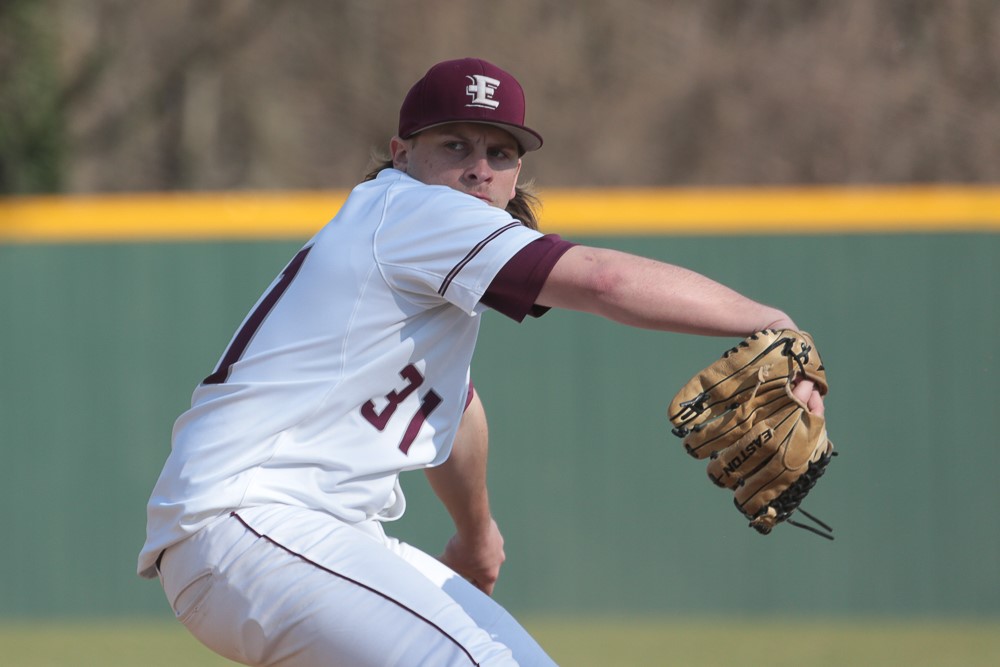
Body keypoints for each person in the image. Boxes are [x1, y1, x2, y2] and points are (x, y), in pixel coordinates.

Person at [139, 57, 824, 666]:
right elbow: (602, 281)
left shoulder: (413, 255)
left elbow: (455, 409)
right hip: (249, 520)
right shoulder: (413, 209)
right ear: (401, 152)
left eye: (502, 152)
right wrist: (772, 321)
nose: (480, 167)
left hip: (303, 540)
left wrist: (475, 534)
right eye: (455, 143)